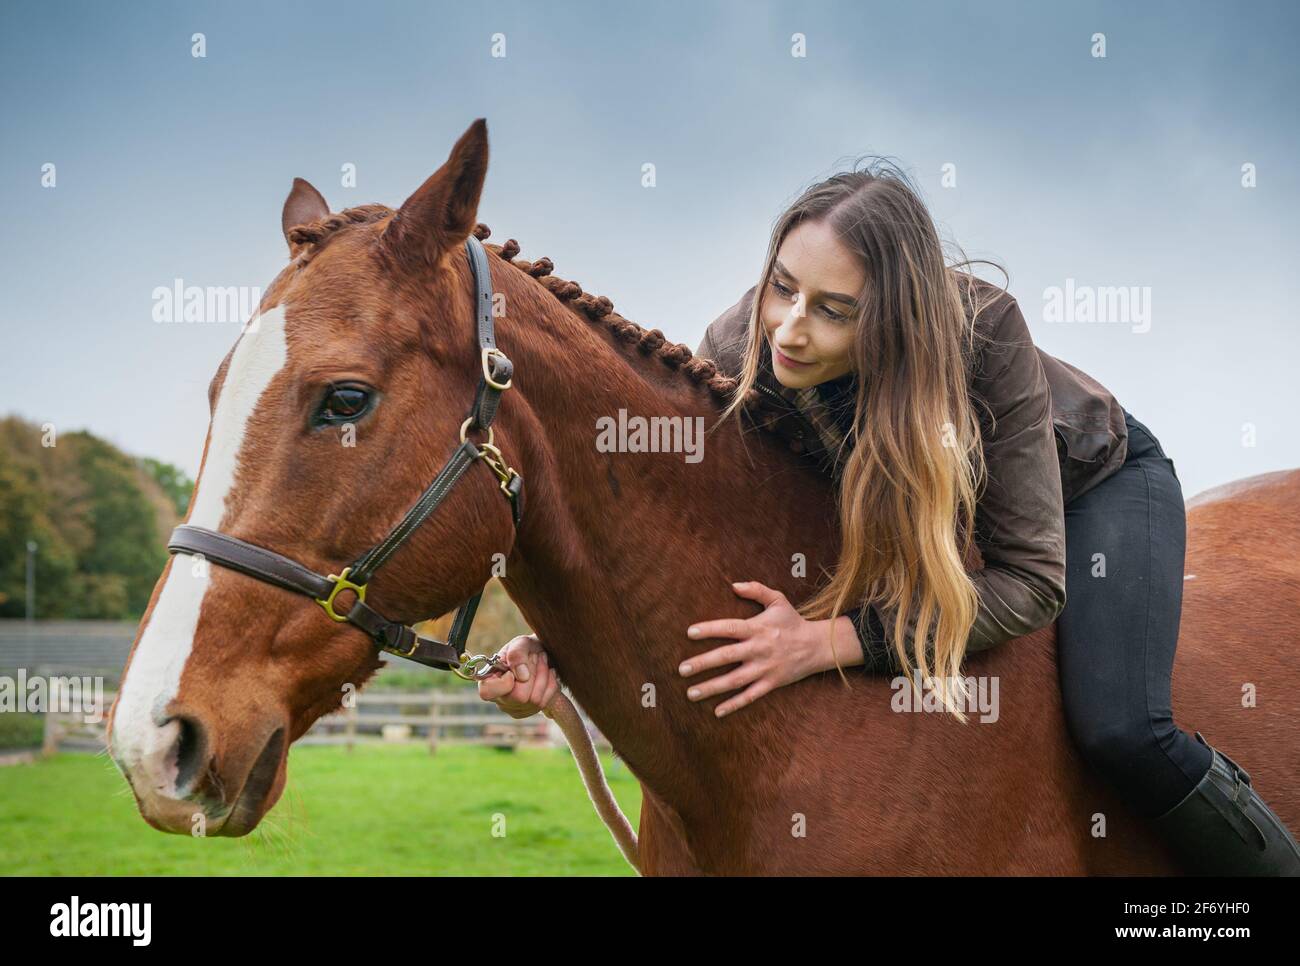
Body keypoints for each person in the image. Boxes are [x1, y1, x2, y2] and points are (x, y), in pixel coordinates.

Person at [479, 162, 1299, 875]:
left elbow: (1030, 582)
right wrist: (561, 649)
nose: (790, 330)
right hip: (919, 516)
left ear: (896, 316)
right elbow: (696, 546)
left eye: (835, 310)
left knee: (1123, 729)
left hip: (1091, 489)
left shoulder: (986, 334)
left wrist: (829, 641)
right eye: (782, 287)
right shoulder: (738, 351)